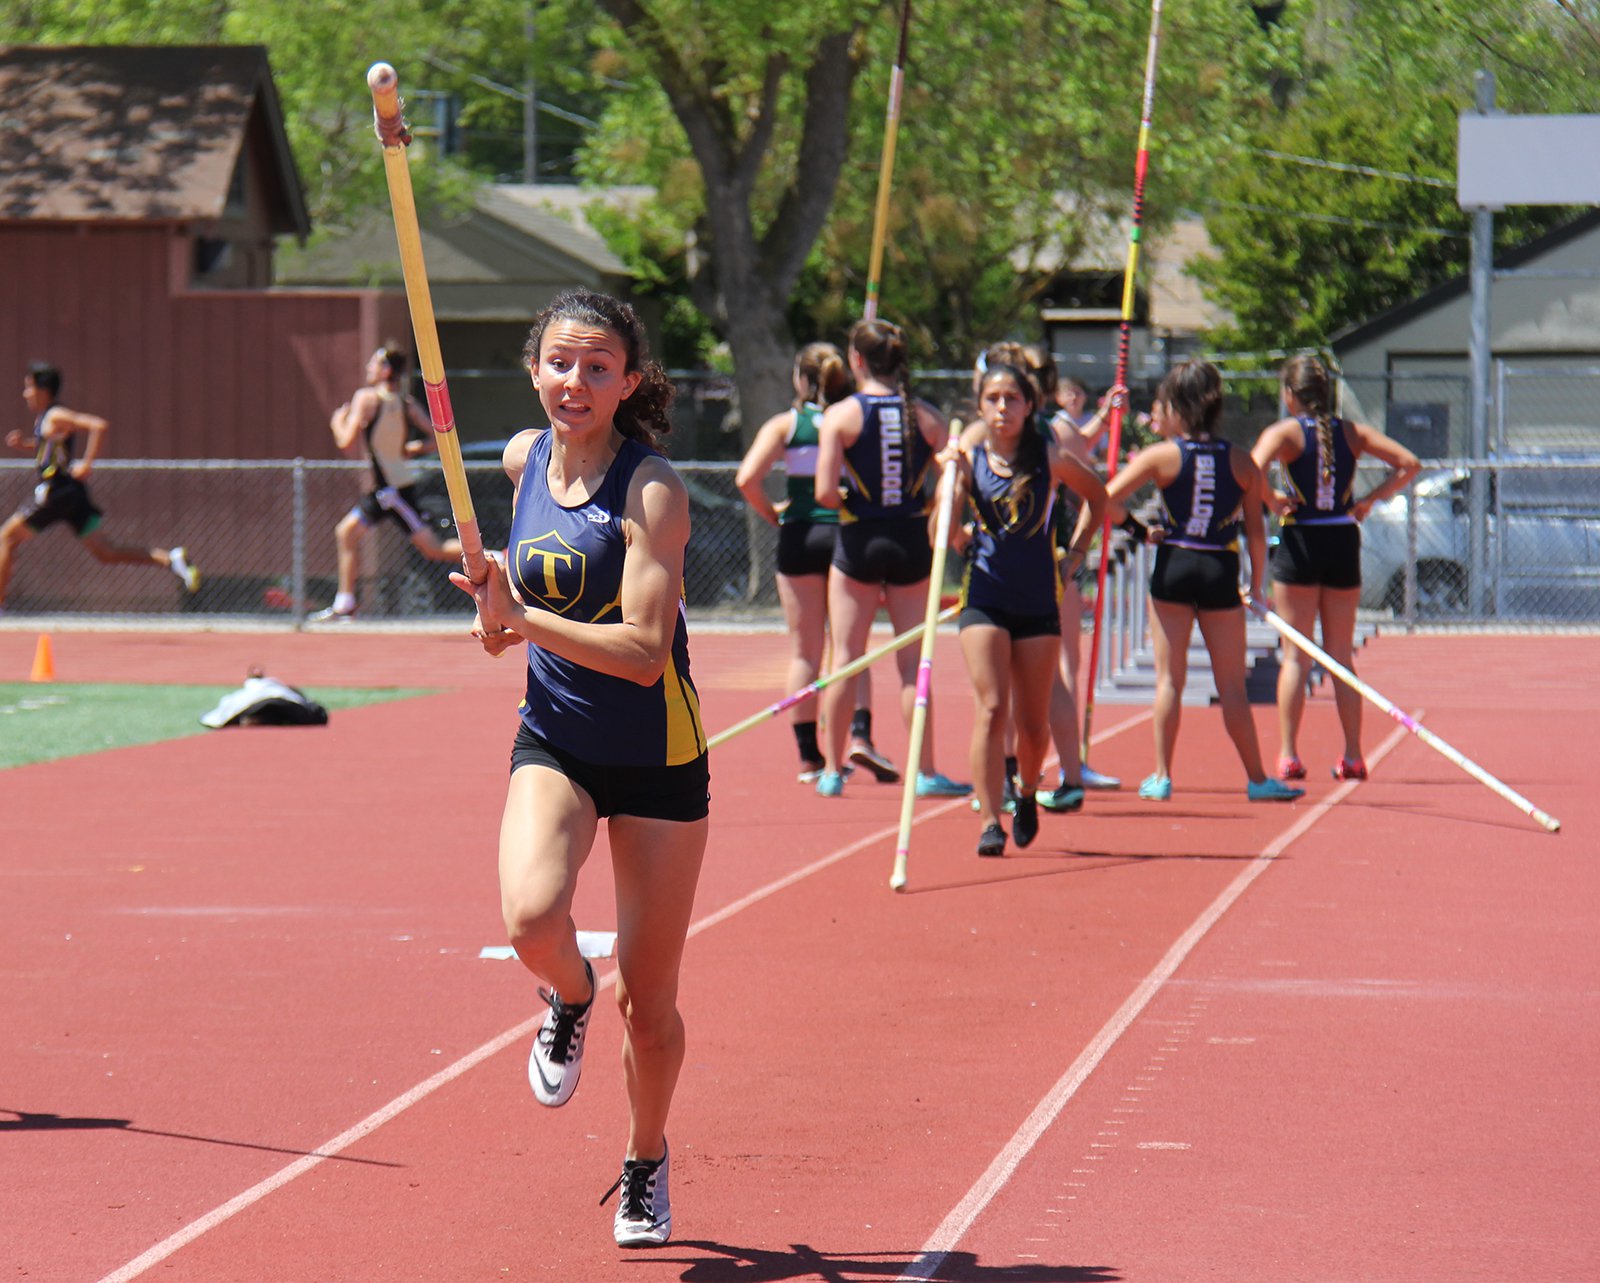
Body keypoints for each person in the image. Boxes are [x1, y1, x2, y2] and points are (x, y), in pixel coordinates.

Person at [450, 290, 708, 1248]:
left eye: (598, 367)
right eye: (561, 362)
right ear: (535, 371)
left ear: (628, 382)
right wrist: (495, 615)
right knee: (530, 919)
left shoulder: (653, 490)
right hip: (557, 737)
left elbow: (643, 651)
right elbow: (518, 601)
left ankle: (644, 1159)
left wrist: (519, 620)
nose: (576, 381)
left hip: (658, 757)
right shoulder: (522, 461)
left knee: (652, 1003)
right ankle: (568, 992)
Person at [1105, 358, 1303, 804]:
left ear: (1177, 406)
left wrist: (1137, 530)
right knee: (1231, 686)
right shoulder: (1242, 461)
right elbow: (1256, 531)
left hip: (1174, 565)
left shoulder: (1162, 455)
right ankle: (1257, 779)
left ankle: (1161, 776)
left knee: (1168, 681)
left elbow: (1106, 497)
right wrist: (1258, 586)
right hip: (1219, 569)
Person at [940, 360, 1106, 857]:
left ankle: (1028, 792)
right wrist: (949, 486)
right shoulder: (969, 461)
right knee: (992, 707)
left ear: (1029, 405)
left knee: (1033, 726)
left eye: (1011, 398)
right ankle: (990, 819)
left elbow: (1098, 496)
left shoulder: (1049, 459)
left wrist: (1076, 554)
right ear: (979, 406)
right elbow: (938, 534)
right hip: (985, 597)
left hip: (1037, 599)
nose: (1002, 408)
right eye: (992, 399)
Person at [812, 317, 969, 799]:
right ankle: (926, 770)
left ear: (857, 360)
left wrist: (854, 501)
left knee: (845, 658)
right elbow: (952, 481)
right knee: (911, 664)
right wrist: (933, 506)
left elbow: (823, 492)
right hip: (911, 542)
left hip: (859, 541)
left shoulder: (841, 416)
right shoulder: (928, 417)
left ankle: (832, 770)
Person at [733, 343, 900, 784]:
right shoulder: (853, 419)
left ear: (801, 378)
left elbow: (746, 478)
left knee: (805, 653)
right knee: (850, 647)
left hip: (801, 537)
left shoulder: (787, 424)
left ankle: (809, 757)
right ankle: (859, 736)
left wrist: (775, 515)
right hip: (847, 535)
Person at [1251, 354, 1421, 782]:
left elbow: (1249, 470)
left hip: (1300, 542)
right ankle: (1354, 754)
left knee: (1295, 656)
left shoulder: (1285, 432)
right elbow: (1410, 463)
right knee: (1340, 656)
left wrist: (1271, 498)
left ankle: (1288, 755)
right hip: (1342, 540)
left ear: (1290, 395)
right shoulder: (1352, 432)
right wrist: (1369, 500)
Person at [1, 362, 199, 610]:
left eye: (29, 387)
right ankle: (171, 559)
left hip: (57, 491)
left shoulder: (56, 414)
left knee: (6, 538)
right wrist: (25, 445)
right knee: (106, 552)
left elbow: (98, 425)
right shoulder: (46, 419)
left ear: (43, 389)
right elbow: (50, 445)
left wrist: (87, 463)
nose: (25, 394)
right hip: (73, 494)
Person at [310, 344, 463, 621]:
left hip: (394, 491)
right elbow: (438, 437)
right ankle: (345, 602)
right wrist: (410, 449)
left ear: (386, 370)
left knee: (434, 549)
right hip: (385, 490)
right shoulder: (406, 403)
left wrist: (336, 422)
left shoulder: (366, 398)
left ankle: (496, 556)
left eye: (374, 363)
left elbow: (345, 440)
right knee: (346, 533)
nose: (368, 367)